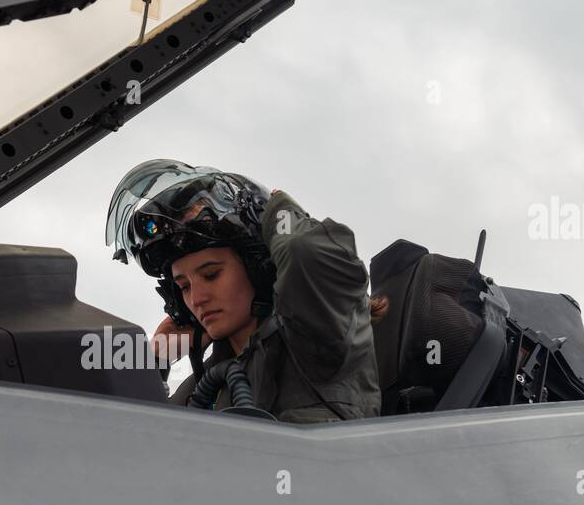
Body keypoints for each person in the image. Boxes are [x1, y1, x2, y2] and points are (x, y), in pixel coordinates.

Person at [105, 159, 381, 423]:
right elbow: (137, 443)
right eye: (184, 287)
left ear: (259, 269)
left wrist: (275, 207)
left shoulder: (318, 338)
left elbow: (303, 252)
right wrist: (156, 357)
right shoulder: (207, 384)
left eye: (211, 275)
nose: (197, 299)